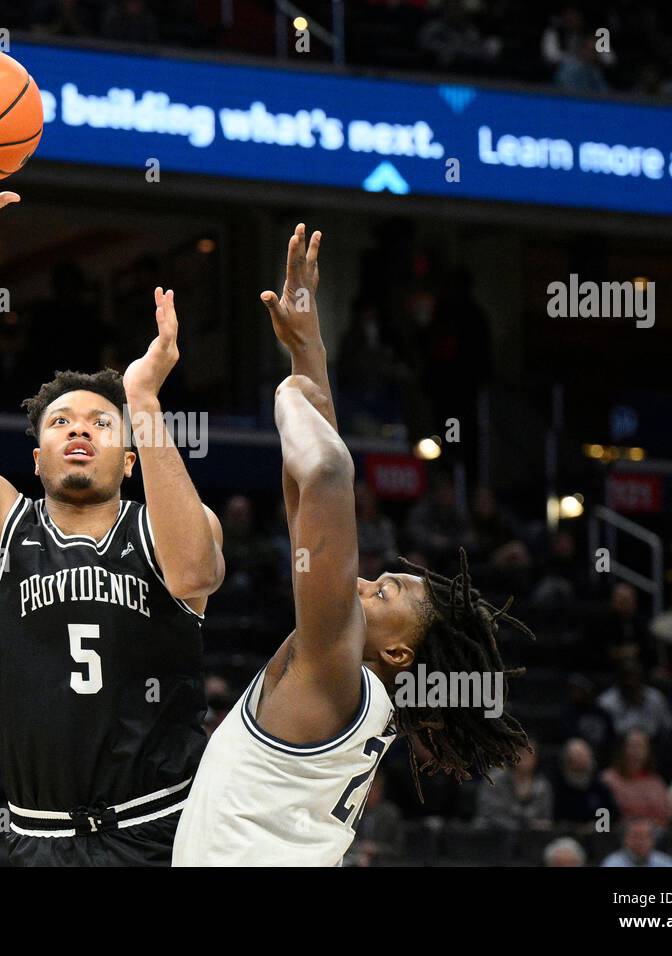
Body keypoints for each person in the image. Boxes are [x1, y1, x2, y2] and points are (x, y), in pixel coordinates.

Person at [0, 153, 223, 866]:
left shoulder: (161, 524)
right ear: (35, 457)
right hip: (35, 840)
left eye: (102, 425)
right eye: (61, 422)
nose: (79, 429)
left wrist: (144, 402)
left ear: (130, 459)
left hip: (163, 831)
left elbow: (197, 570)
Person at [174, 225, 532, 866]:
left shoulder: (337, 671)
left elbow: (330, 474)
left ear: (400, 649)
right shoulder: (350, 678)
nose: (369, 580)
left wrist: (287, 399)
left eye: (387, 589)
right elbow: (309, 507)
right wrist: (308, 347)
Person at [475, 739, 554, 831]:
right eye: (522, 753)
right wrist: (523, 824)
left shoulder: (542, 785)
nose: (526, 758)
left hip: (530, 837)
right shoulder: (495, 779)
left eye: (530, 754)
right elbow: (489, 812)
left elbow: (545, 818)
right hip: (493, 833)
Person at [601, 729, 672, 826]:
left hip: (653, 834)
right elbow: (602, 819)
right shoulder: (608, 779)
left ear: (648, 752)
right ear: (622, 749)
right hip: (618, 834)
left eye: (641, 746)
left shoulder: (656, 783)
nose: (636, 752)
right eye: (632, 746)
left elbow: (666, 817)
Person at [551, 737, 618, 829]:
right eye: (576, 755)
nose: (580, 759)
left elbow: (611, 815)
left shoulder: (600, 786)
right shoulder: (559, 787)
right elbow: (556, 819)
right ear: (567, 760)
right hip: (568, 834)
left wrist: (596, 826)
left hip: (598, 833)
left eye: (583, 755)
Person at [601, 818, 672, 867]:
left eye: (645, 836)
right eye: (636, 836)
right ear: (625, 839)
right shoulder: (612, 863)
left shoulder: (665, 862)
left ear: (653, 840)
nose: (640, 842)